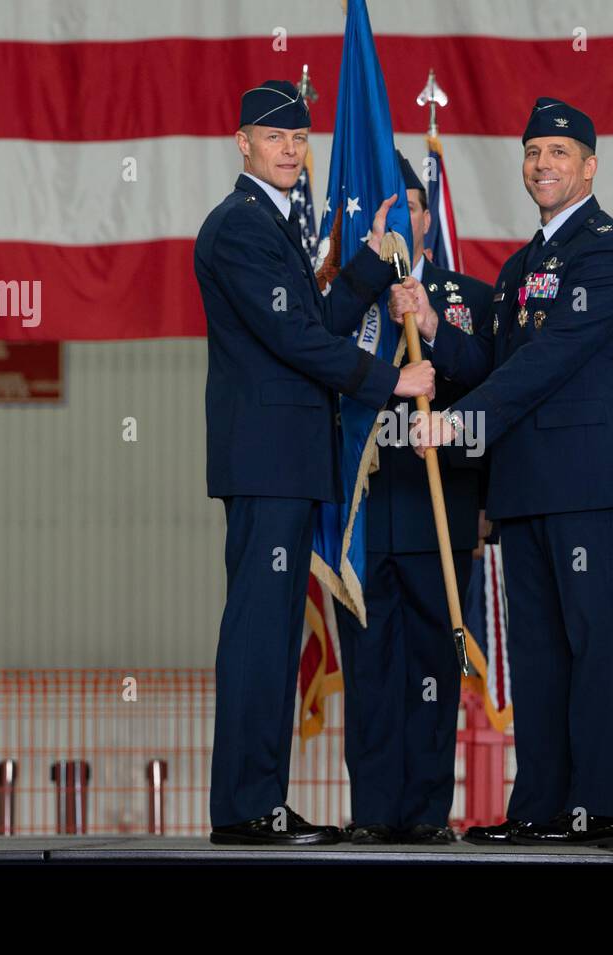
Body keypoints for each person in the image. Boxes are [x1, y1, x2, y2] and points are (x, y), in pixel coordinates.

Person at [395, 97, 613, 847]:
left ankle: (601, 805)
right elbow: (493, 366)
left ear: (590, 166)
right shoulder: (518, 267)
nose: (543, 164)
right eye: (534, 152)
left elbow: (548, 362)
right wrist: (440, 329)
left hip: (588, 480)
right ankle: (541, 805)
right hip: (526, 486)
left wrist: (462, 423)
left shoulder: (608, 251)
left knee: (596, 641)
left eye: (560, 154)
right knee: (538, 650)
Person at [194, 80, 435, 846]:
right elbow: (295, 342)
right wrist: (392, 380)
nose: (292, 149)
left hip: (289, 465)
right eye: (274, 137)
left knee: (272, 641)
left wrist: (365, 263)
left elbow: (315, 320)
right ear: (243, 143)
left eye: (299, 138)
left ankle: (259, 799)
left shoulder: (281, 229)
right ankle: (245, 806)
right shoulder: (238, 228)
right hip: (267, 463)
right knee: (259, 640)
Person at [334, 151, 493, 846]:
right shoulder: (346, 302)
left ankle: (427, 811)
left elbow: (494, 381)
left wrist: (431, 328)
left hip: (440, 513)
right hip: (367, 520)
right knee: (370, 673)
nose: (404, 218)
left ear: (428, 217)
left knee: (434, 668)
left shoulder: (469, 298)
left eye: (413, 204)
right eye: (388, 207)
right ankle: (373, 810)